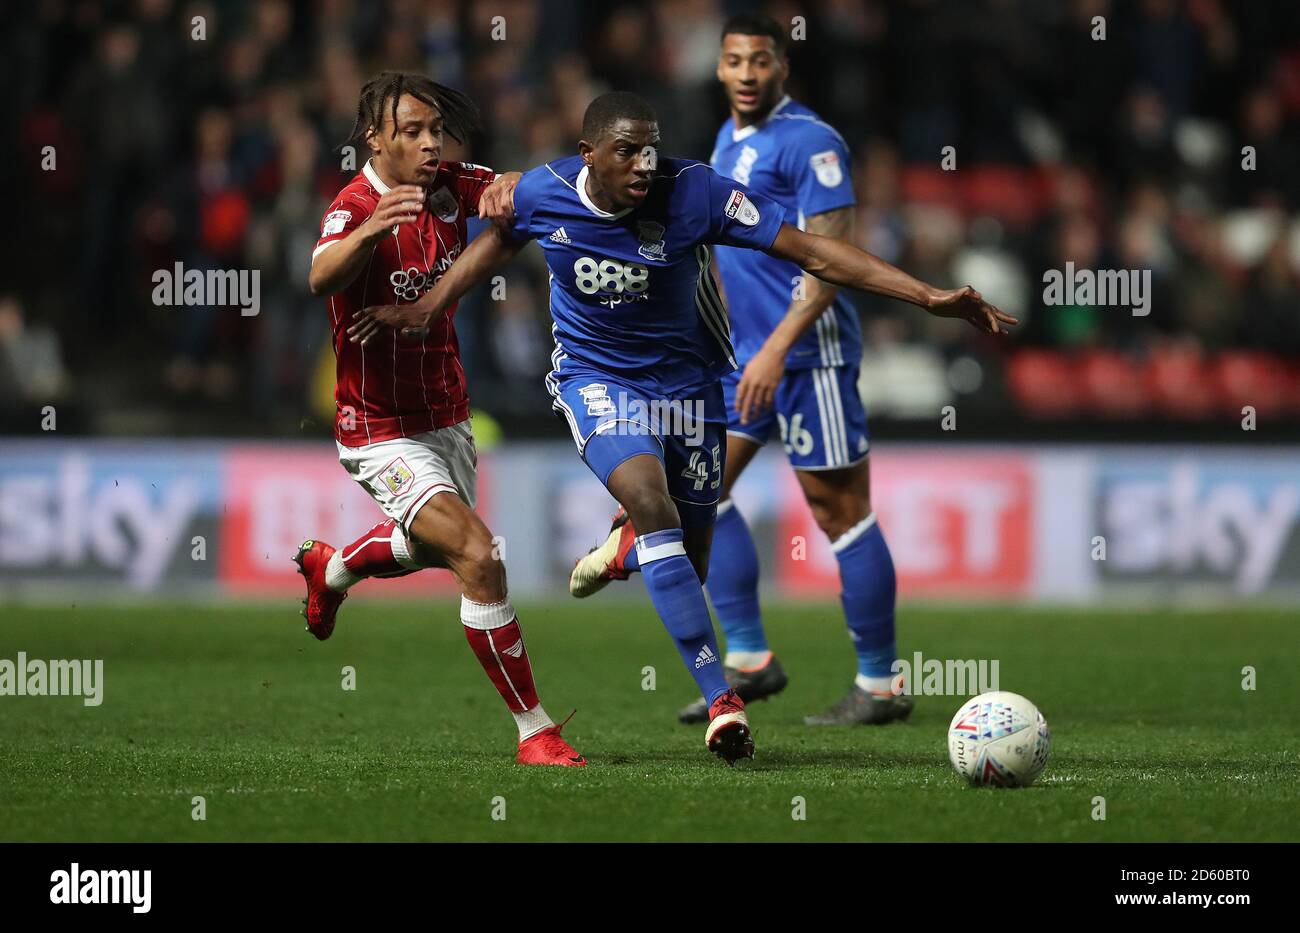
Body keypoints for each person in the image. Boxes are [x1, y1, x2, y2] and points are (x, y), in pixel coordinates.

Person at [350, 91, 1016, 764]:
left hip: (692, 391)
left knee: (686, 559)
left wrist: (929, 295)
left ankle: (627, 550)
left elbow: (812, 249)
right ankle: (723, 701)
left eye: (651, 147)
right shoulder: (543, 193)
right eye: (627, 151)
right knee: (647, 498)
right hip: (597, 381)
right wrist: (431, 306)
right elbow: (498, 243)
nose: (644, 163)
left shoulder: (694, 192)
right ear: (589, 156)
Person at [580, 13, 921, 727]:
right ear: (718, 68)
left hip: (806, 357)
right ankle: (750, 658)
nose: (744, 74)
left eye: (759, 61)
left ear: (782, 68)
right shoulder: (728, 139)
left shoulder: (813, 143)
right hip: (741, 361)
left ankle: (882, 681)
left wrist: (774, 347)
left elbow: (827, 262)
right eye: (732, 60)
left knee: (840, 513)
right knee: (699, 494)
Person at [299, 71, 584, 767]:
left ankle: (333, 569)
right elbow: (320, 274)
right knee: (480, 556)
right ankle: (535, 730)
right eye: (414, 132)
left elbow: (517, 186)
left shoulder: (450, 184)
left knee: (433, 546)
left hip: (447, 414)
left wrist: (507, 188)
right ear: (375, 137)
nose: (431, 144)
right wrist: (372, 232)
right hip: (377, 427)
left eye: (437, 131)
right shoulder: (353, 204)